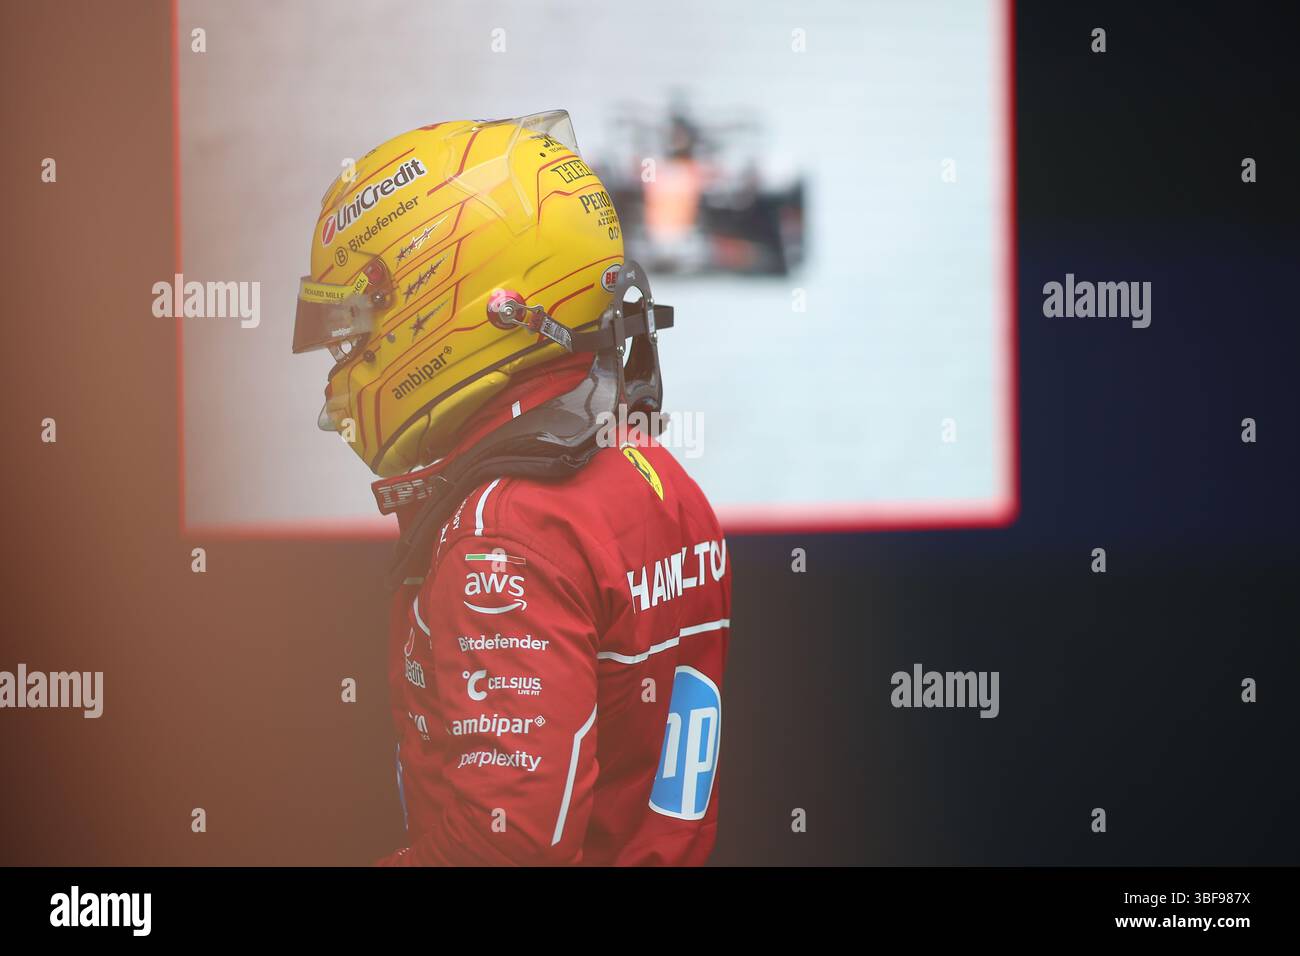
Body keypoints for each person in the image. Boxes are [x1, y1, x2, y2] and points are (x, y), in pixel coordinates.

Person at [291, 111, 731, 865]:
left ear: (457, 302)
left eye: (357, 328)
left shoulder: (502, 533)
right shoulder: (650, 471)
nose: (344, 363)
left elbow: (511, 846)